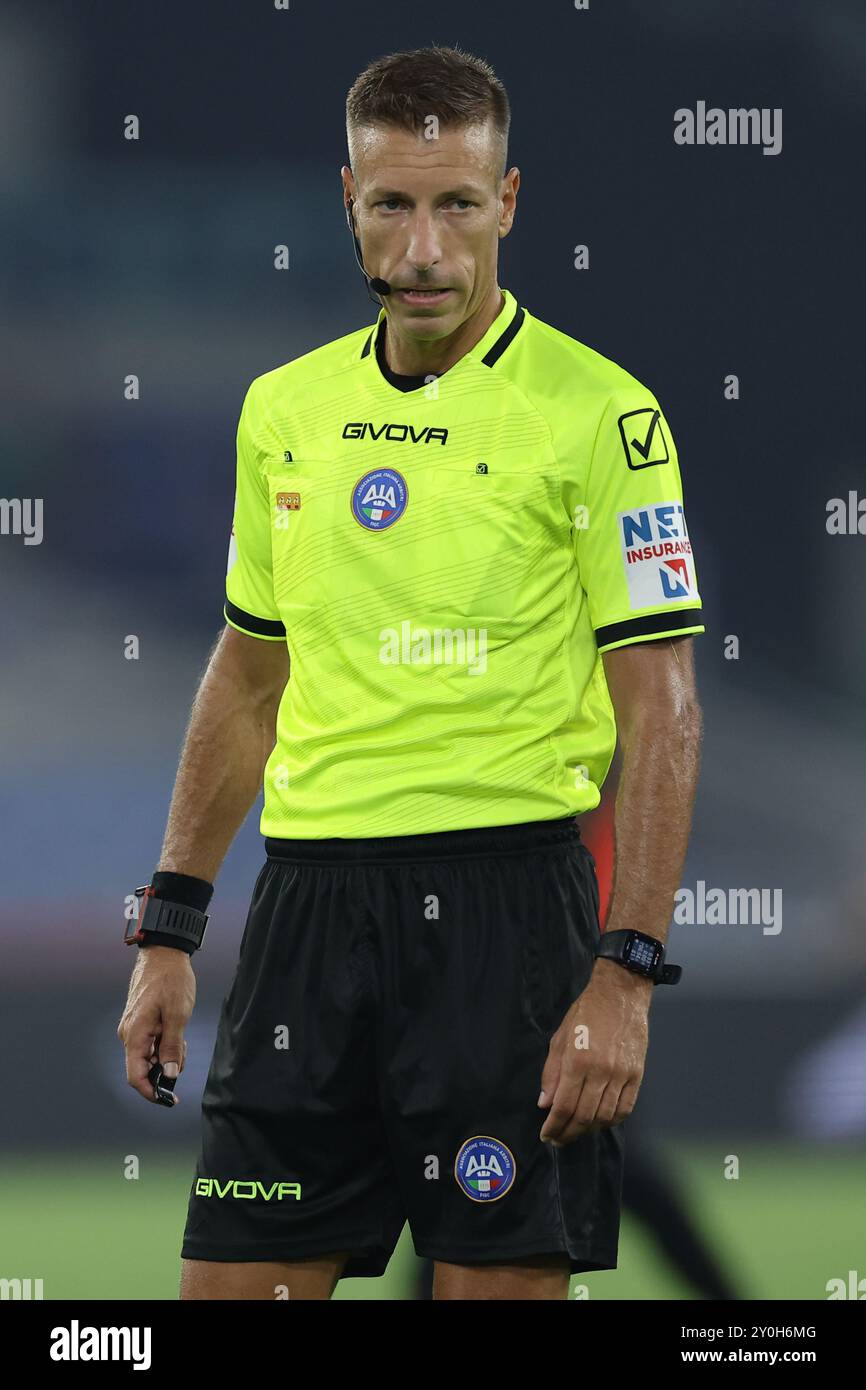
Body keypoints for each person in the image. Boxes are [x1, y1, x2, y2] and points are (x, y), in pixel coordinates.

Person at [117, 44, 704, 1302]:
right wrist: (169, 926)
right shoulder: (281, 408)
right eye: (392, 204)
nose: (424, 248)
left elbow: (659, 706)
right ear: (347, 201)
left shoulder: (602, 414)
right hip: (306, 920)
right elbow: (245, 679)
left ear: (507, 202)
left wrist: (626, 973)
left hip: (512, 923)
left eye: (454, 204)